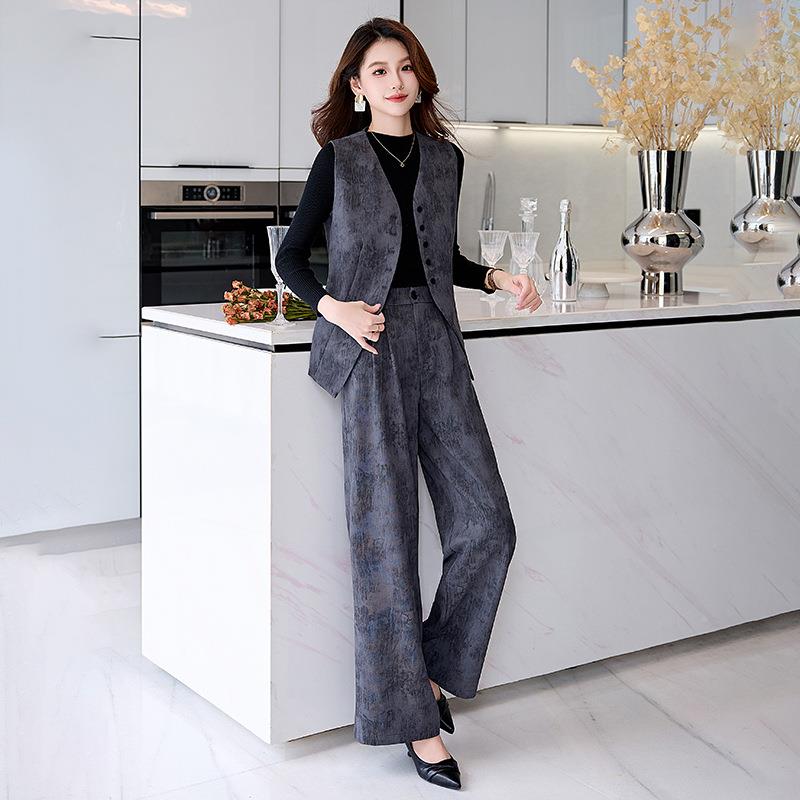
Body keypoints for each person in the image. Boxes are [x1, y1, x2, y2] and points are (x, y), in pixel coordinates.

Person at [275, 17, 542, 791]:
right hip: (369, 349)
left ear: (419, 77)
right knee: (385, 540)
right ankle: (415, 727)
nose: (395, 81)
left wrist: (498, 278)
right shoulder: (339, 160)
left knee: (488, 524)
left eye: (404, 67)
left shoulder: (444, 158)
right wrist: (336, 309)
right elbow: (291, 256)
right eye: (378, 71)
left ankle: (426, 676)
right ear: (356, 87)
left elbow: (441, 258)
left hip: (439, 350)